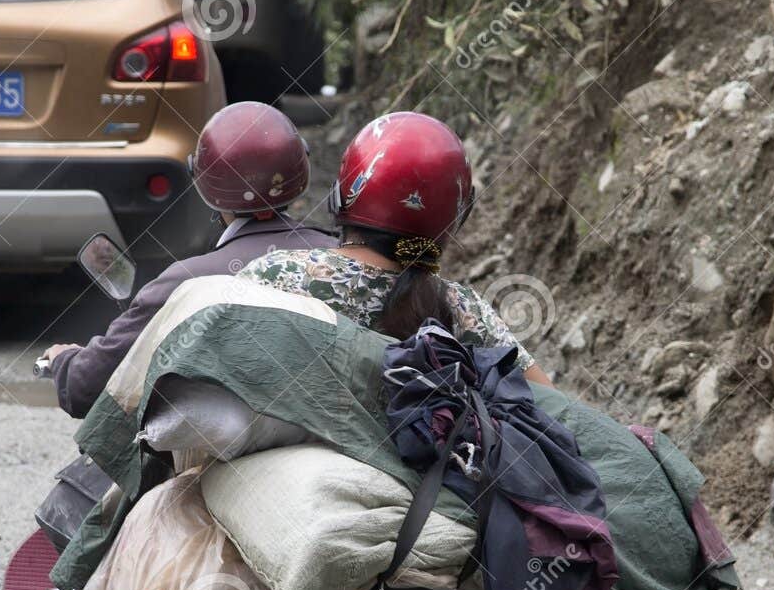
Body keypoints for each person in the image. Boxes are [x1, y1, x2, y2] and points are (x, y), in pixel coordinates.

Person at [42, 101, 334, 417]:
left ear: (203, 179)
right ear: (300, 167)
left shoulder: (185, 283)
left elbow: (85, 389)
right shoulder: (344, 262)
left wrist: (64, 360)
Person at [235, 111, 552, 385]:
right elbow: (552, 406)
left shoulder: (277, 275)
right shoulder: (465, 311)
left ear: (346, 190)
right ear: (452, 216)